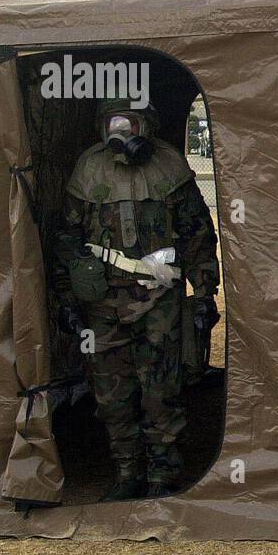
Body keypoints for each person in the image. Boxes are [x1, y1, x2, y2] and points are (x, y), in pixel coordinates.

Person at [53, 98, 220, 500]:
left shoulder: (170, 167)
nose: (121, 132)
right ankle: (127, 472)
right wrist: (66, 298)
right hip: (103, 304)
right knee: (112, 394)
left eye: (129, 123)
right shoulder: (88, 169)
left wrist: (204, 294)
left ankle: (164, 473)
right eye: (114, 123)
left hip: (159, 299)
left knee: (162, 389)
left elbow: (198, 233)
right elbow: (66, 239)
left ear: (146, 125)